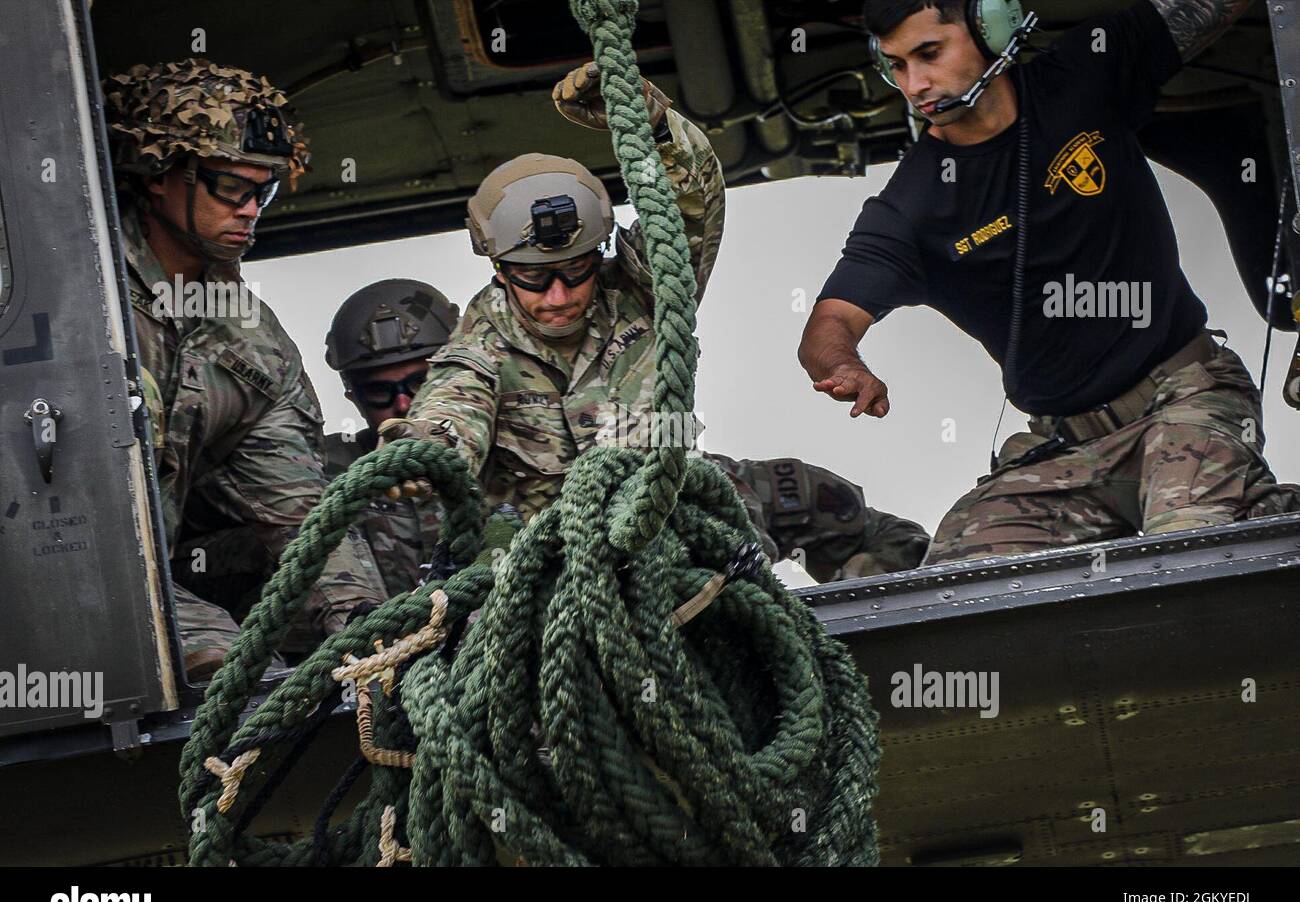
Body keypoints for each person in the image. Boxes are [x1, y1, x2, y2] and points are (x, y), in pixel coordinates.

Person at [379, 62, 928, 582]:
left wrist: (656, 124)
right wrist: (426, 455)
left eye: (575, 271)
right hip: (549, 566)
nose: (558, 296)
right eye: (533, 278)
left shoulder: (643, 292)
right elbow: (453, 411)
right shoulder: (480, 344)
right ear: (499, 271)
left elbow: (693, 206)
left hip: (672, 531)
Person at [801, 0, 1300, 564]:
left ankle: (1247, 515)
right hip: (1065, 447)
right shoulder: (911, 208)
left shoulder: (1087, 71)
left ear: (992, 27)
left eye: (929, 54)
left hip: (1188, 394)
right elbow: (829, 320)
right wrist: (843, 365)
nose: (915, 84)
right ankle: (1265, 512)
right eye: (895, 65)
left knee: (1186, 547)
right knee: (961, 583)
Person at [104, 59, 386, 677]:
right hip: (51, 578)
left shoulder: (251, 343)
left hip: (135, 591)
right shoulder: (65, 285)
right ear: (158, 174)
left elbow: (301, 515)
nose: (252, 209)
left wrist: (369, 631)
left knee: (251, 681)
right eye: (231, 187)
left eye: (266, 189)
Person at [322, 279, 460, 595]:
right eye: (379, 392)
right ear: (353, 397)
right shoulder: (323, 473)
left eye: (419, 383)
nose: (403, 404)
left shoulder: (506, 453)